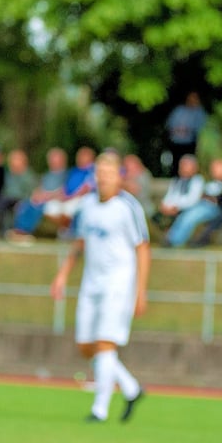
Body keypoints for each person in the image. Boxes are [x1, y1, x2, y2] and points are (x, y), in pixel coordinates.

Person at [50, 150, 150, 423]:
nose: (103, 178)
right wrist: (62, 275)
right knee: (86, 345)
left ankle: (100, 409)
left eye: (109, 173)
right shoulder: (87, 205)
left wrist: (140, 291)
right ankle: (131, 388)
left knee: (105, 343)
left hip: (118, 284)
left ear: (119, 176)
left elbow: (143, 248)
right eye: (100, 173)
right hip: (90, 283)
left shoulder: (128, 207)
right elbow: (80, 243)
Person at [164, 158, 222, 248]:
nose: (215, 171)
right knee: (185, 215)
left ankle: (175, 241)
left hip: (212, 208)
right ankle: (171, 238)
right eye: (214, 168)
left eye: (218, 168)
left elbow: (219, 198)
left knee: (190, 216)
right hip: (199, 206)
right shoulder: (207, 182)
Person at [8, 147, 69, 240]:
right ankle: (18, 230)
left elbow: (63, 191)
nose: (52, 162)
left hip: (54, 200)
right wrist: (37, 195)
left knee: (37, 207)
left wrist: (47, 196)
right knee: (26, 204)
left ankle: (24, 231)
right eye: (51, 160)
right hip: (42, 198)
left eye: (55, 159)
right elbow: (39, 188)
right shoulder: (47, 175)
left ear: (62, 161)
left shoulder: (66, 175)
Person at [0, 148, 37, 239]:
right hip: (6, 199)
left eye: (16, 159)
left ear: (23, 161)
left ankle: (9, 232)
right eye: (12, 160)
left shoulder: (27, 175)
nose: (13, 162)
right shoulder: (7, 174)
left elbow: (32, 192)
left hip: (21, 199)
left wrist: (23, 202)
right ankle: (4, 231)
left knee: (4, 204)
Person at [152, 154, 204, 231]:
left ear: (194, 168)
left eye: (185, 165)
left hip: (183, 210)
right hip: (171, 209)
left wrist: (175, 207)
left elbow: (191, 200)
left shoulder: (197, 181)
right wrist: (164, 205)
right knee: (154, 220)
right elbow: (169, 195)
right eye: (181, 165)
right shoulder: (176, 181)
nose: (182, 168)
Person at [165, 92, 207, 176]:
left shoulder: (199, 112)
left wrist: (187, 130)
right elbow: (170, 124)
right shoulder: (179, 110)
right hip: (176, 143)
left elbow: (200, 127)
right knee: (176, 163)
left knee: (189, 162)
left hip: (190, 144)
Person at [121, 154, 155, 219]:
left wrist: (121, 182)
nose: (126, 167)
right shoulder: (127, 176)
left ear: (136, 164)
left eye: (128, 165)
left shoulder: (143, 175)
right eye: (125, 165)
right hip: (133, 210)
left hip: (144, 211)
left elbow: (133, 189)